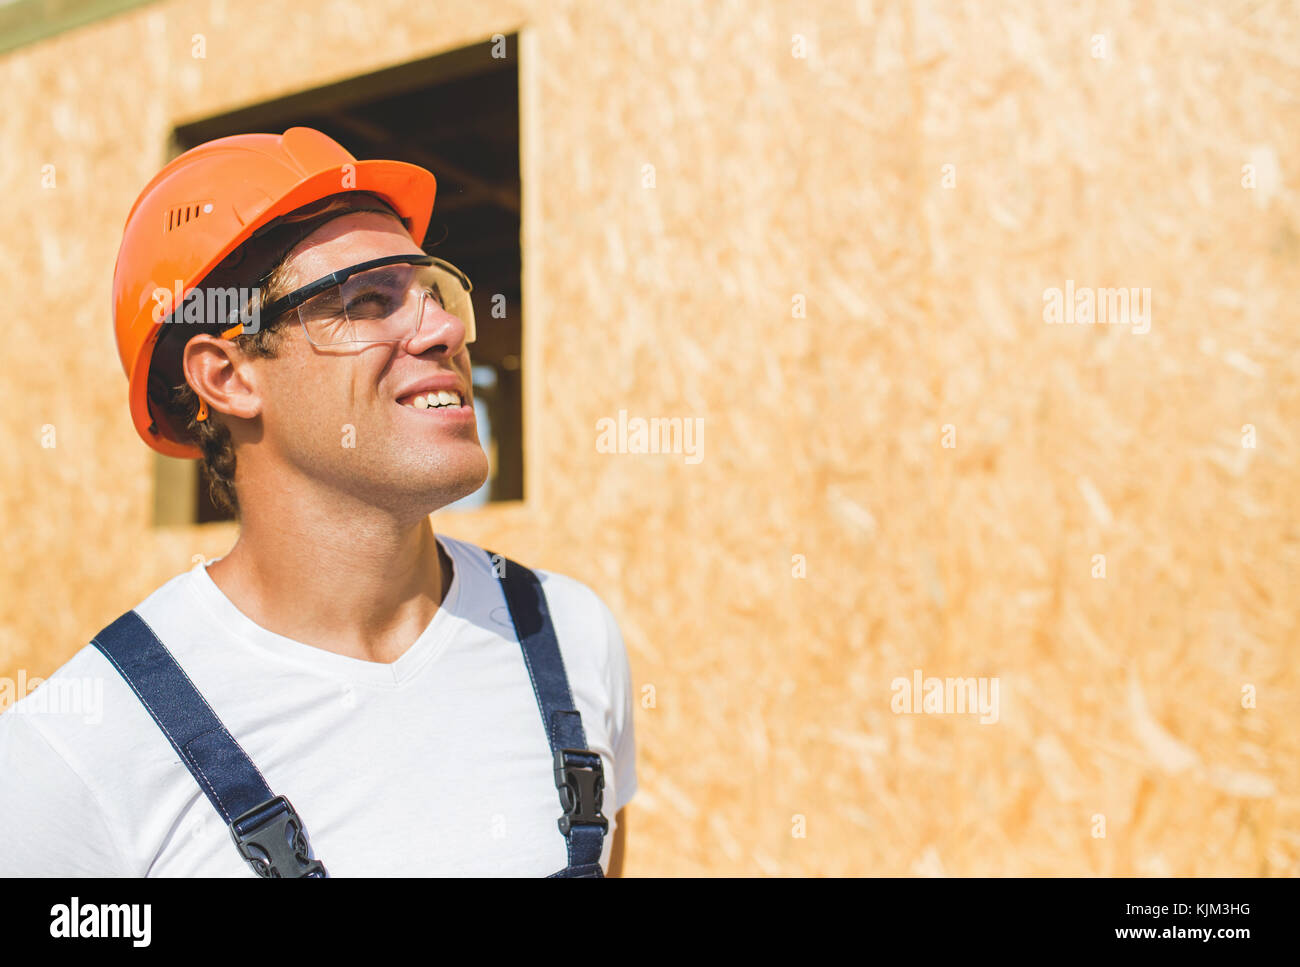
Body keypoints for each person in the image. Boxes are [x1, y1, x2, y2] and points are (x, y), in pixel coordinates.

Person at [0, 127, 635, 877]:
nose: (447, 328)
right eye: (367, 301)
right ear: (230, 378)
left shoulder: (566, 637)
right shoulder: (77, 752)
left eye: (435, 293)